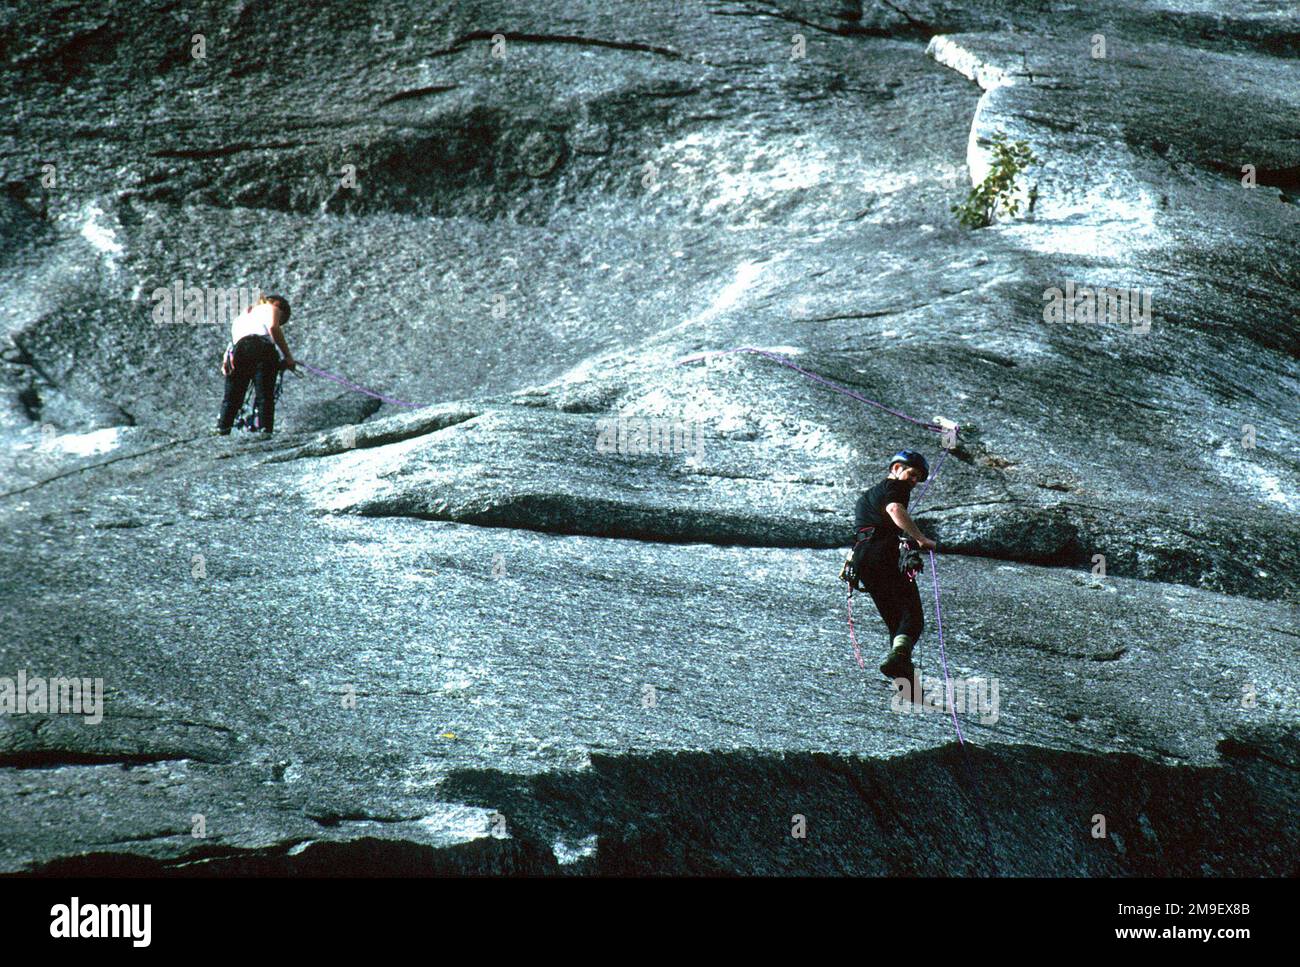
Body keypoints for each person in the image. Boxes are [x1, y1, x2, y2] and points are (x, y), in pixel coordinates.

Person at [851, 450, 938, 680]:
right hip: (882, 553)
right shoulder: (896, 487)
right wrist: (920, 537)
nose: (914, 481)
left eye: (918, 478)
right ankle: (901, 667)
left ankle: (903, 678)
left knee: (896, 621)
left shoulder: (868, 496)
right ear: (897, 468)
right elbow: (894, 509)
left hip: (863, 559)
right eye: (911, 474)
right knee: (913, 616)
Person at [215, 295, 296, 435]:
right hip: (262, 349)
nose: (280, 322)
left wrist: (225, 362)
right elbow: (273, 328)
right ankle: (265, 432)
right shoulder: (271, 308)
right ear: (278, 304)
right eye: (282, 320)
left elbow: (233, 344)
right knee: (264, 397)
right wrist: (288, 357)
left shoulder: (240, 318)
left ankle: (222, 429)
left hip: (238, 352)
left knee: (232, 399)